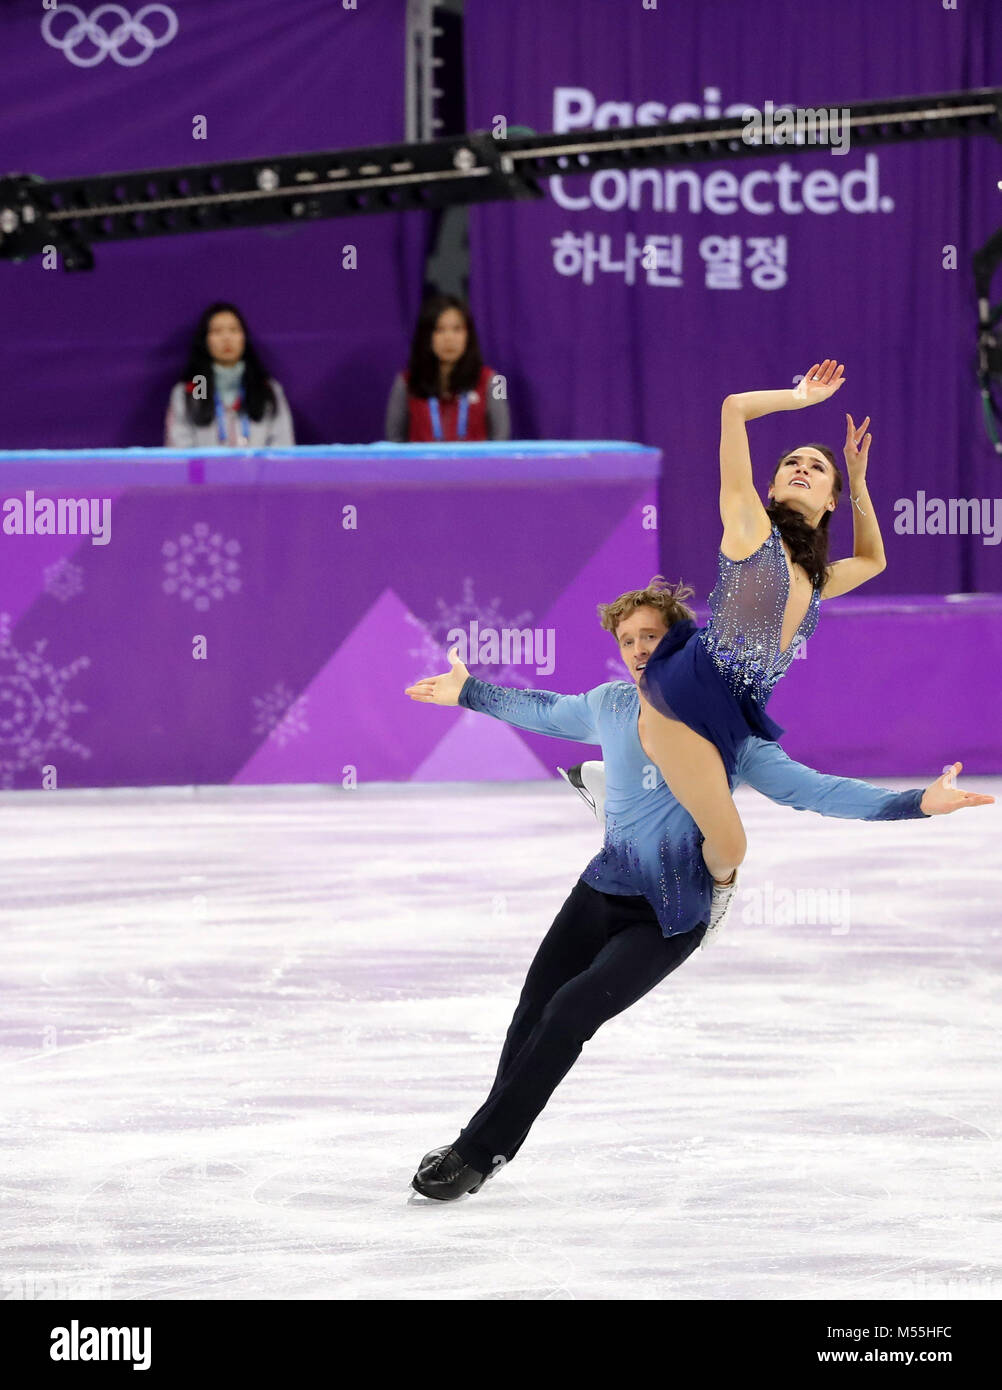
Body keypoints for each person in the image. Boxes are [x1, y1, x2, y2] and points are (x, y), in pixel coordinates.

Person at [403, 580, 992, 1201]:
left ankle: (477, 1152)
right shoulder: (610, 705)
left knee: (569, 1013)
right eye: (627, 640)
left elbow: (812, 789)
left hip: (668, 916)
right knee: (532, 1013)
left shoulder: (724, 733)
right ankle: (485, 1136)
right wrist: (467, 690)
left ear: (678, 644)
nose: (636, 649)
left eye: (649, 637)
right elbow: (544, 710)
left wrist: (915, 803)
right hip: (601, 888)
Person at [636, 359, 884, 936]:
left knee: (698, 840)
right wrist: (800, 398)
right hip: (692, 696)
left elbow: (873, 560)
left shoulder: (819, 577)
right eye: (792, 463)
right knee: (714, 844)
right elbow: (733, 408)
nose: (802, 467)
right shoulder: (750, 526)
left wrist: (859, 478)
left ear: (829, 502)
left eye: (817, 469)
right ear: (770, 488)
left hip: (734, 720)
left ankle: (616, 785)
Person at [164, 302, 295, 448]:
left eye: (234, 330)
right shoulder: (191, 390)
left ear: (244, 337)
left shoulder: (268, 390)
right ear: (205, 340)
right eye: (217, 331)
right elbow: (180, 454)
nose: (226, 338)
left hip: (258, 471)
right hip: (205, 471)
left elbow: (283, 451)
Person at [384, 293, 510, 442]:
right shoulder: (404, 382)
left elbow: (502, 438)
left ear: (468, 335)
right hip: (422, 465)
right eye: (439, 329)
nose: (449, 338)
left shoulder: (496, 381)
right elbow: (394, 442)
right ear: (427, 336)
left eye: (457, 329)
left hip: (475, 465)